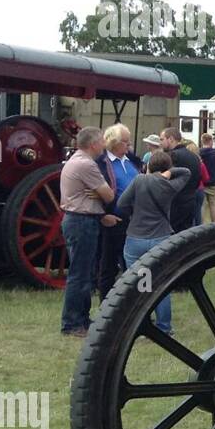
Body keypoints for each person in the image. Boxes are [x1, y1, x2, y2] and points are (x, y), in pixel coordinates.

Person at [117, 151, 190, 336]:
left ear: (148, 166)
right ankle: (164, 326)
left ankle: (143, 324)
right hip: (161, 237)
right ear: (167, 168)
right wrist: (169, 172)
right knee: (161, 284)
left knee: (142, 285)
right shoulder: (170, 185)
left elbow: (121, 203)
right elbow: (187, 172)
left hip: (136, 237)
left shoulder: (139, 180)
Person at [59, 127, 114, 337]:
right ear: (93, 144)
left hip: (78, 220)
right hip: (82, 221)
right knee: (80, 275)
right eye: (101, 141)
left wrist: (97, 194)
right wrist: (100, 193)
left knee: (82, 273)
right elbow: (108, 195)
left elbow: (101, 193)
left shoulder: (76, 160)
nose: (104, 145)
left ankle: (81, 319)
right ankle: (72, 323)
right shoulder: (87, 165)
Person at [95, 123, 143, 301]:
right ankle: (106, 306)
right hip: (114, 219)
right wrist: (102, 215)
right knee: (108, 265)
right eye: (125, 141)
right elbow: (94, 192)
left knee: (135, 265)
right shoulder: (101, 163)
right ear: (113, 142)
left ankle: (134, 304)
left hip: (135, 219)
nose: (128, 145)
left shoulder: (132, 161)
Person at [159, 127, 203, 234]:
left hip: (175, 203)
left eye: (162, 139)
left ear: (171, 139)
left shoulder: (172, 156)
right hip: (190, 200)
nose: (160, 143)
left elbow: (164, 180)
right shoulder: (194, 156)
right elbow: (198, 179)